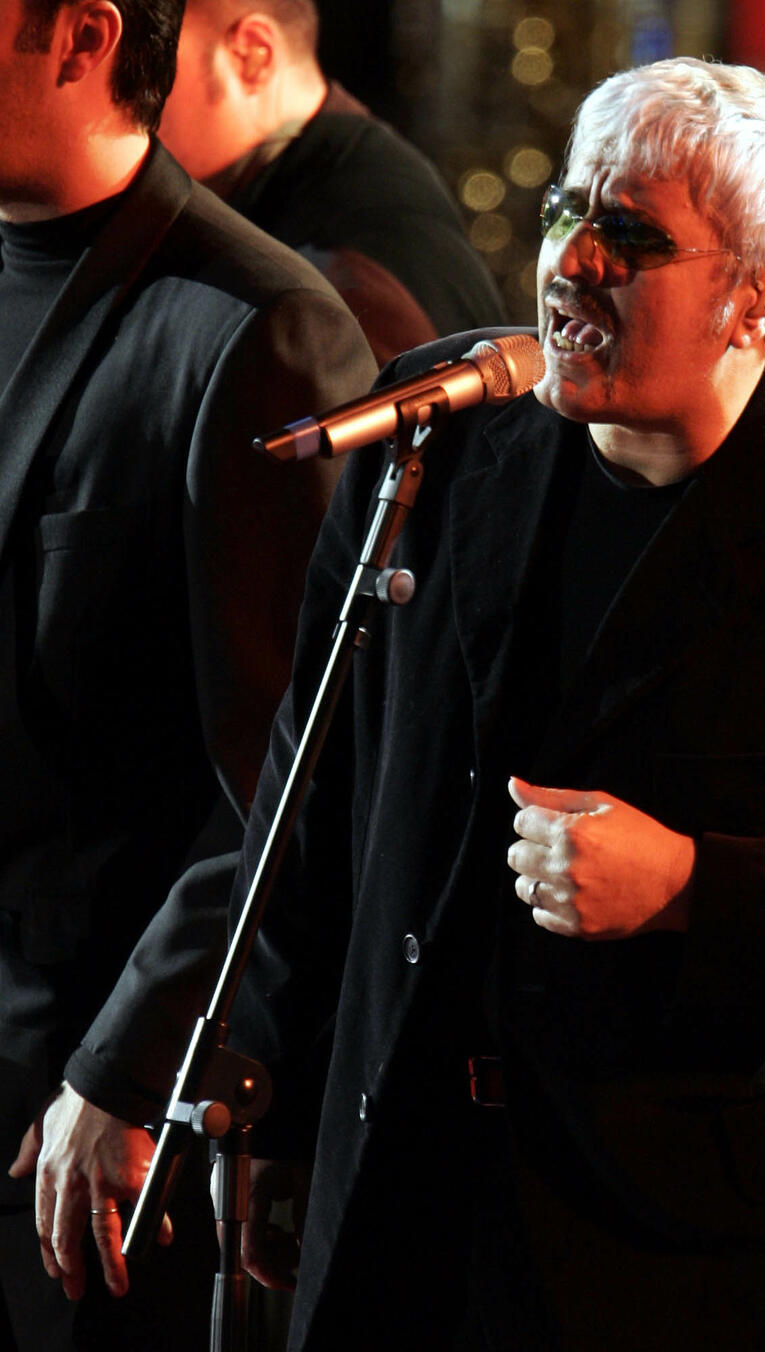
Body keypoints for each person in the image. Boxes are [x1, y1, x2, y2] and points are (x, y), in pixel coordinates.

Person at [222, 57, 765, 1351]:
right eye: (563, 211)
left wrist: (696, 884)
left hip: (697, 1253)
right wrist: (274, 1093)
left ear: (757, 295)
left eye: (629, 237)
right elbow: (316, 788)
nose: (570, 261)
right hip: (412, 1180)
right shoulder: (441, 443)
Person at [0, 0, 376, 1346]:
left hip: (86, 1108)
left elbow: (296, 772)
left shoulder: (259, 326)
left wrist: (129, 1063)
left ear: (81, 37)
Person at [156, 0, 506, 365]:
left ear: (253, 54)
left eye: (156, 50)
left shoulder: (349, 264)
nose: (132, 82)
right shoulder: (329, 189)